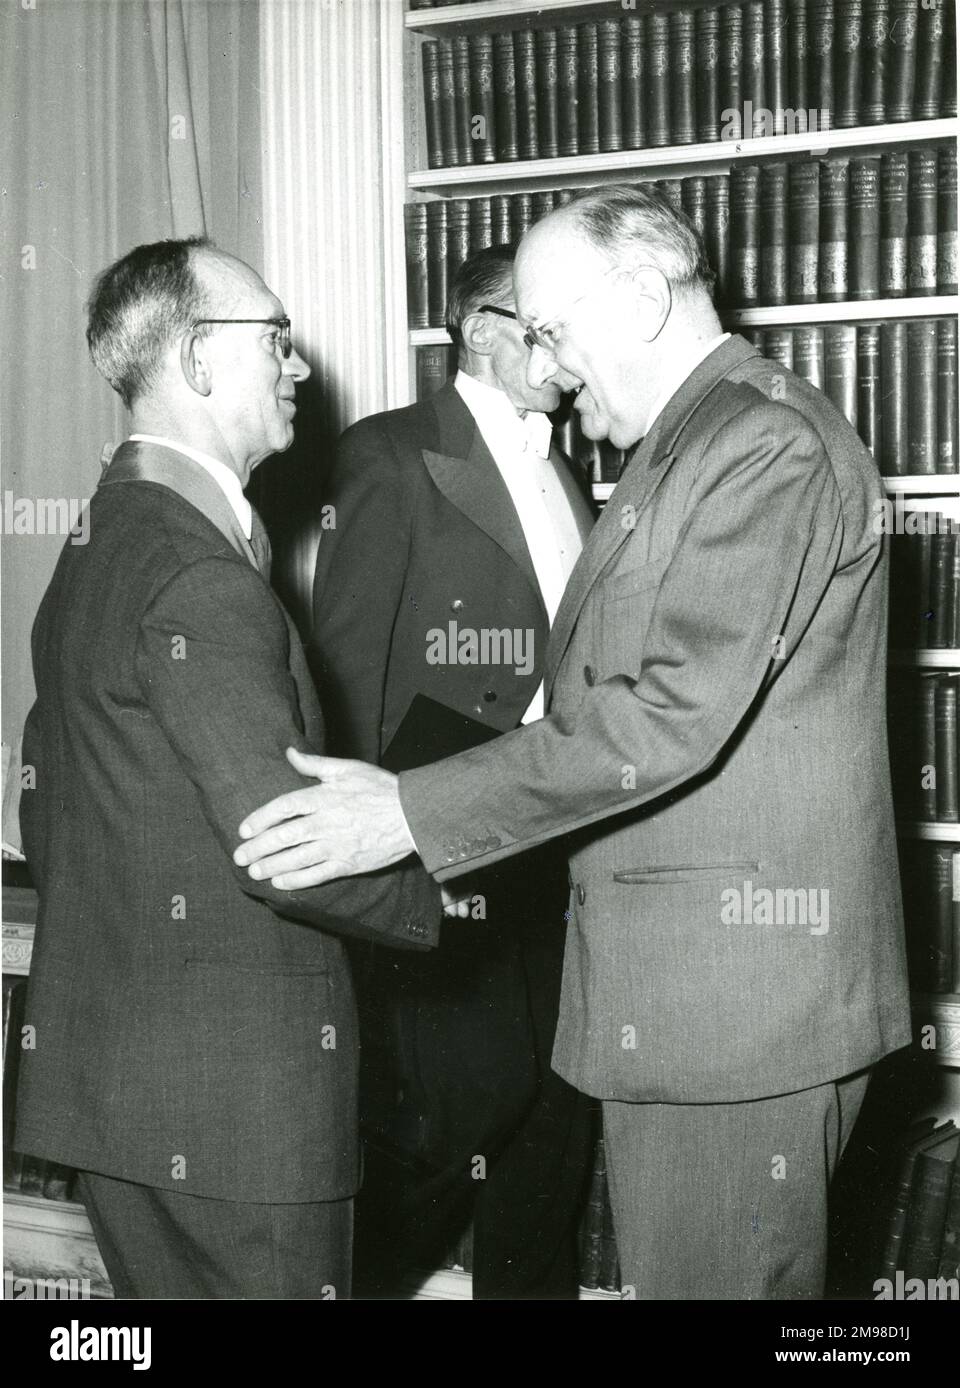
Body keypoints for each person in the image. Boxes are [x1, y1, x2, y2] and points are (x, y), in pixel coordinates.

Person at [234, 187, 912, 1300]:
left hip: (736, 1013)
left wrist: (408, 810)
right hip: (691, 1000)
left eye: (552, 329)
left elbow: (664, 714)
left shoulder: (761, 445)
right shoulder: (681, 445)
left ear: (644, 297)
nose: (547, 362)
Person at [14, 236, 444, 1301]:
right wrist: (465, 874)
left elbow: (57, 805)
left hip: (124, 1089)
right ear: (199, 361)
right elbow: (281, 843)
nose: (300, 368)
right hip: (238, 1107)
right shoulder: (199, 571)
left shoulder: (99, 541)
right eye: (278, 342)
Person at [309, 244, 596, 1298]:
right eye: (542, 325)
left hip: (563, 858)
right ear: (478, 326)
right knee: (441, 1132)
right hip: (441, 857)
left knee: (551, 1142)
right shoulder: (390, 456)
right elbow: (343, 680)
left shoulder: (568, 470)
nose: (566, 352)